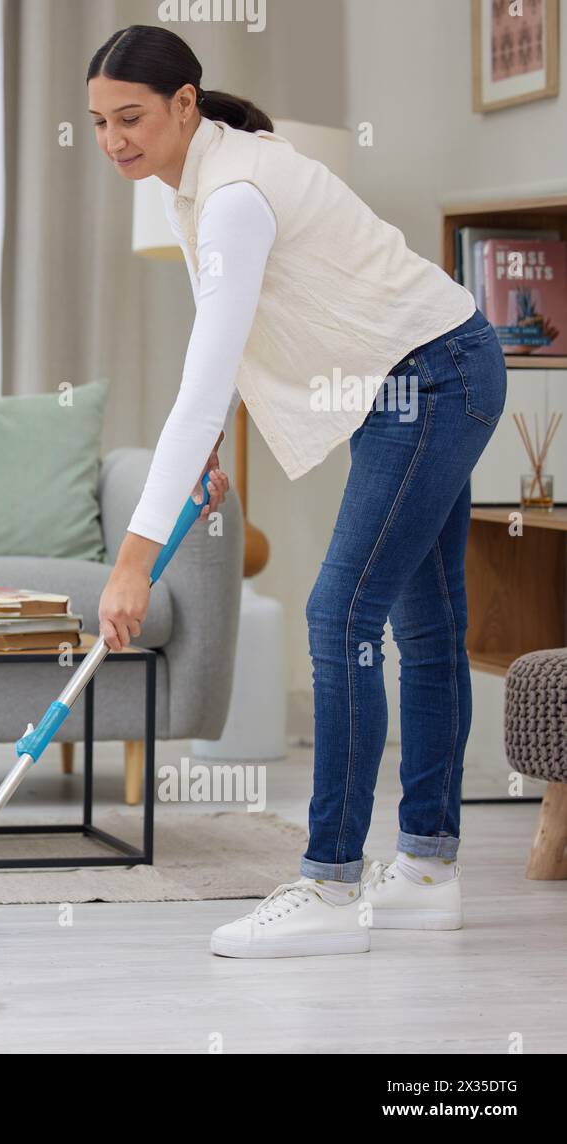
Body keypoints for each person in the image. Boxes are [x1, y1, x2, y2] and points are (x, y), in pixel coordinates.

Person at [89, 25, 506, 958]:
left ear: (184, 105)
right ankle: (431, 869)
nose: (114, 139)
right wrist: (203, 457)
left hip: (436, 377)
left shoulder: (234, 193)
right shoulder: (191, 184)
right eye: (100, 122)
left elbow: (201, 383)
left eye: (132, 118)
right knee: (426, 625)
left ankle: (327, 886)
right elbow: (225, 338)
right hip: (412, 378)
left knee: (339, 616)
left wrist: (133, 563)